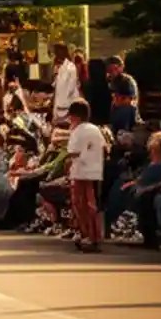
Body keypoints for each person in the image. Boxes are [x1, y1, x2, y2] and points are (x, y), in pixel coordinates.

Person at [65, 100, 106, 252]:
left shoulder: (77, 131)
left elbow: (72, 152)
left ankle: (87, 235)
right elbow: (104, 148)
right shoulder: (96, 130)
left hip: (80, 173)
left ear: (75, 116)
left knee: (81, 205)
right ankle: (95, 236)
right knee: (93, 205)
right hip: (95, 173)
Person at [107, 57, 140, 133]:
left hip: (128, 114)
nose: (113, 72)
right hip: (117, 114)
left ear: (121, 67)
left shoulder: (127, 81)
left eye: (115, 68)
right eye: (110, 70)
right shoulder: (112, 81)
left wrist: (118, 101)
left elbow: (129, 100)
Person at [52, 44, 81, 123]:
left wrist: (63, 106)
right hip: (59, 107)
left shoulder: (71, 67)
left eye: (57, 52)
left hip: (67, 106)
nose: (55, 55)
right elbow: (56, 86)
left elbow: (70, 88)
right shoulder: (59, 67)